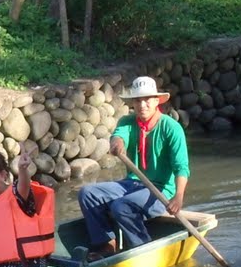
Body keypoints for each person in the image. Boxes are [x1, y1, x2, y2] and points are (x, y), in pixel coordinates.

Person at [78, 75, 191, 256]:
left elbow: (181, 167)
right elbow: (118, 137)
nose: (142, 105)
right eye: (138, 100)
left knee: (120, 207)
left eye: (147, 100)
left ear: (156, 101)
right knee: (87, 194)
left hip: (161, 190)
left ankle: (143, 248)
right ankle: (106, 243)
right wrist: (117, 143)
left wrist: (178, 197)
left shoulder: (171, 128)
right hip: (132, 184)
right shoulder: (127, 122)